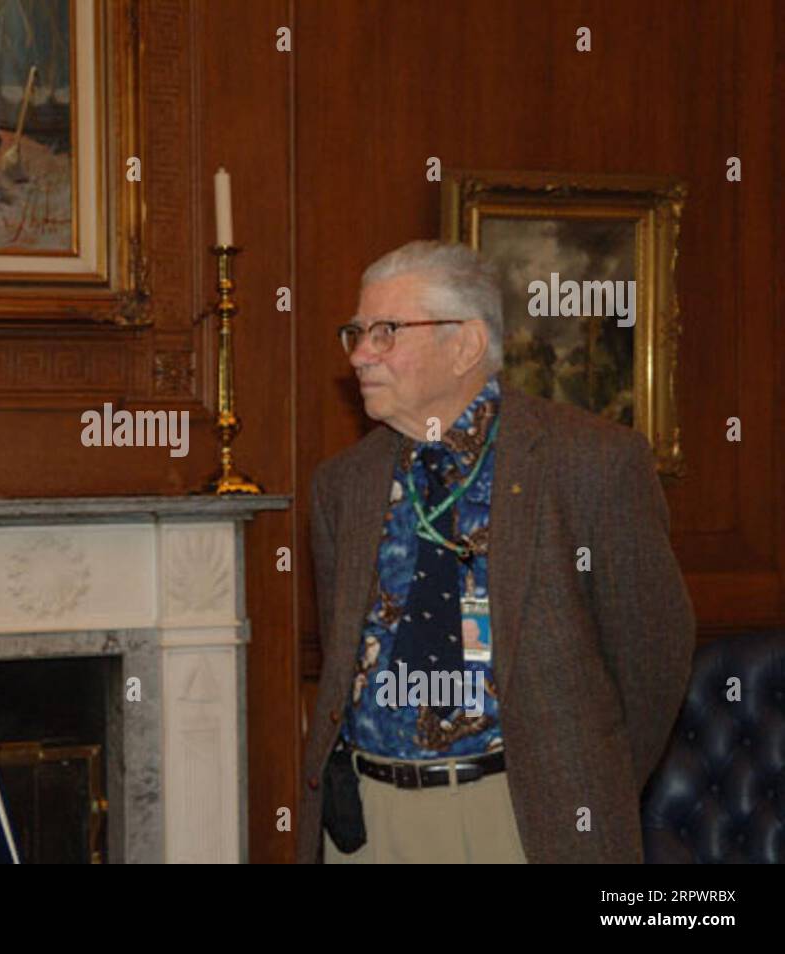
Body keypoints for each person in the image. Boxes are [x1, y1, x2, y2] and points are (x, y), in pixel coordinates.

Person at [298, 240, 695, 863]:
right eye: (356, 331)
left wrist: (580, 782)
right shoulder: (341, 486)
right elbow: (343, 658)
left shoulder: (588, 463)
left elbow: (654, 658)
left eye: (385, 332)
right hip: (370, 822)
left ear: (465, 344)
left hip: (516, 820)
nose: (358, 355)